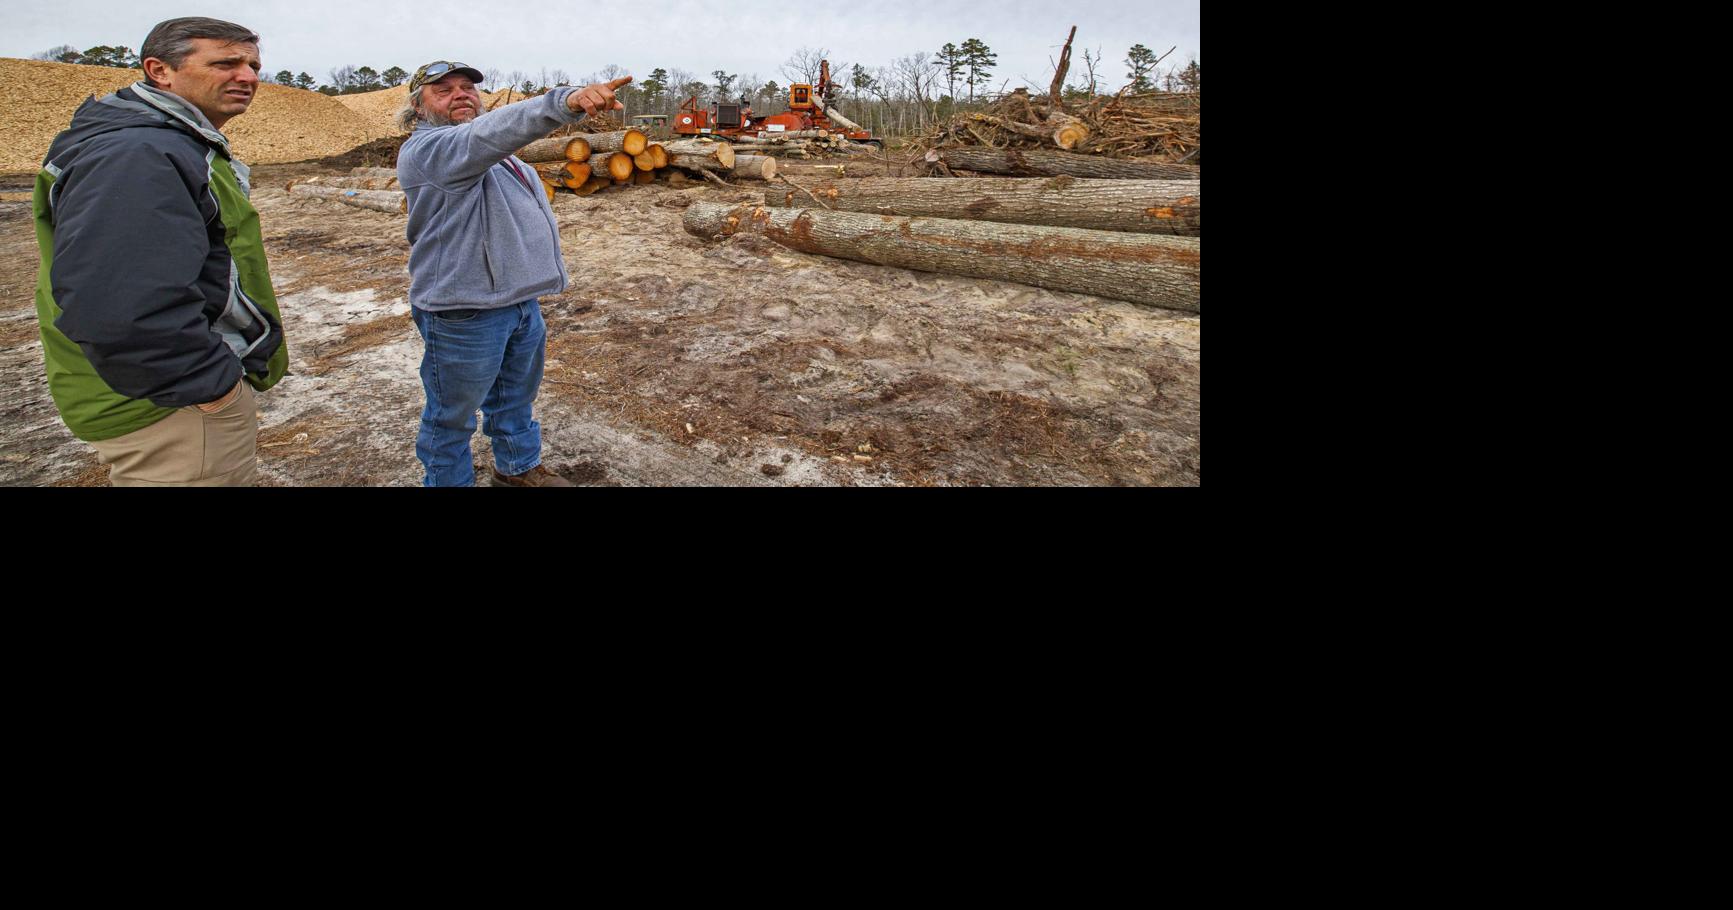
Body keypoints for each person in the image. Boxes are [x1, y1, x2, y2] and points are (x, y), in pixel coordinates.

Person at [31, 16, 289, 486]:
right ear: (159, 70)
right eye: (226, 63)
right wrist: (210, 388)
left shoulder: (156, 142)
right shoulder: (138, 153)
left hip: (155, 396)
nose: (248, 76)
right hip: (170, 409)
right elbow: (118, 304)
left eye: (253, 64)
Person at [395, 61, 630, 487]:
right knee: (450, 418)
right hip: (464, 311)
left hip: (518, 302)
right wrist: (566, 101)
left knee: (514, 399)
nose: (461, 93)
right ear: (417, 109)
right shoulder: (431, 150)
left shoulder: (499, 159)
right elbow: (487, 133)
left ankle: (518, 469)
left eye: (467, 87)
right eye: (443, 90)